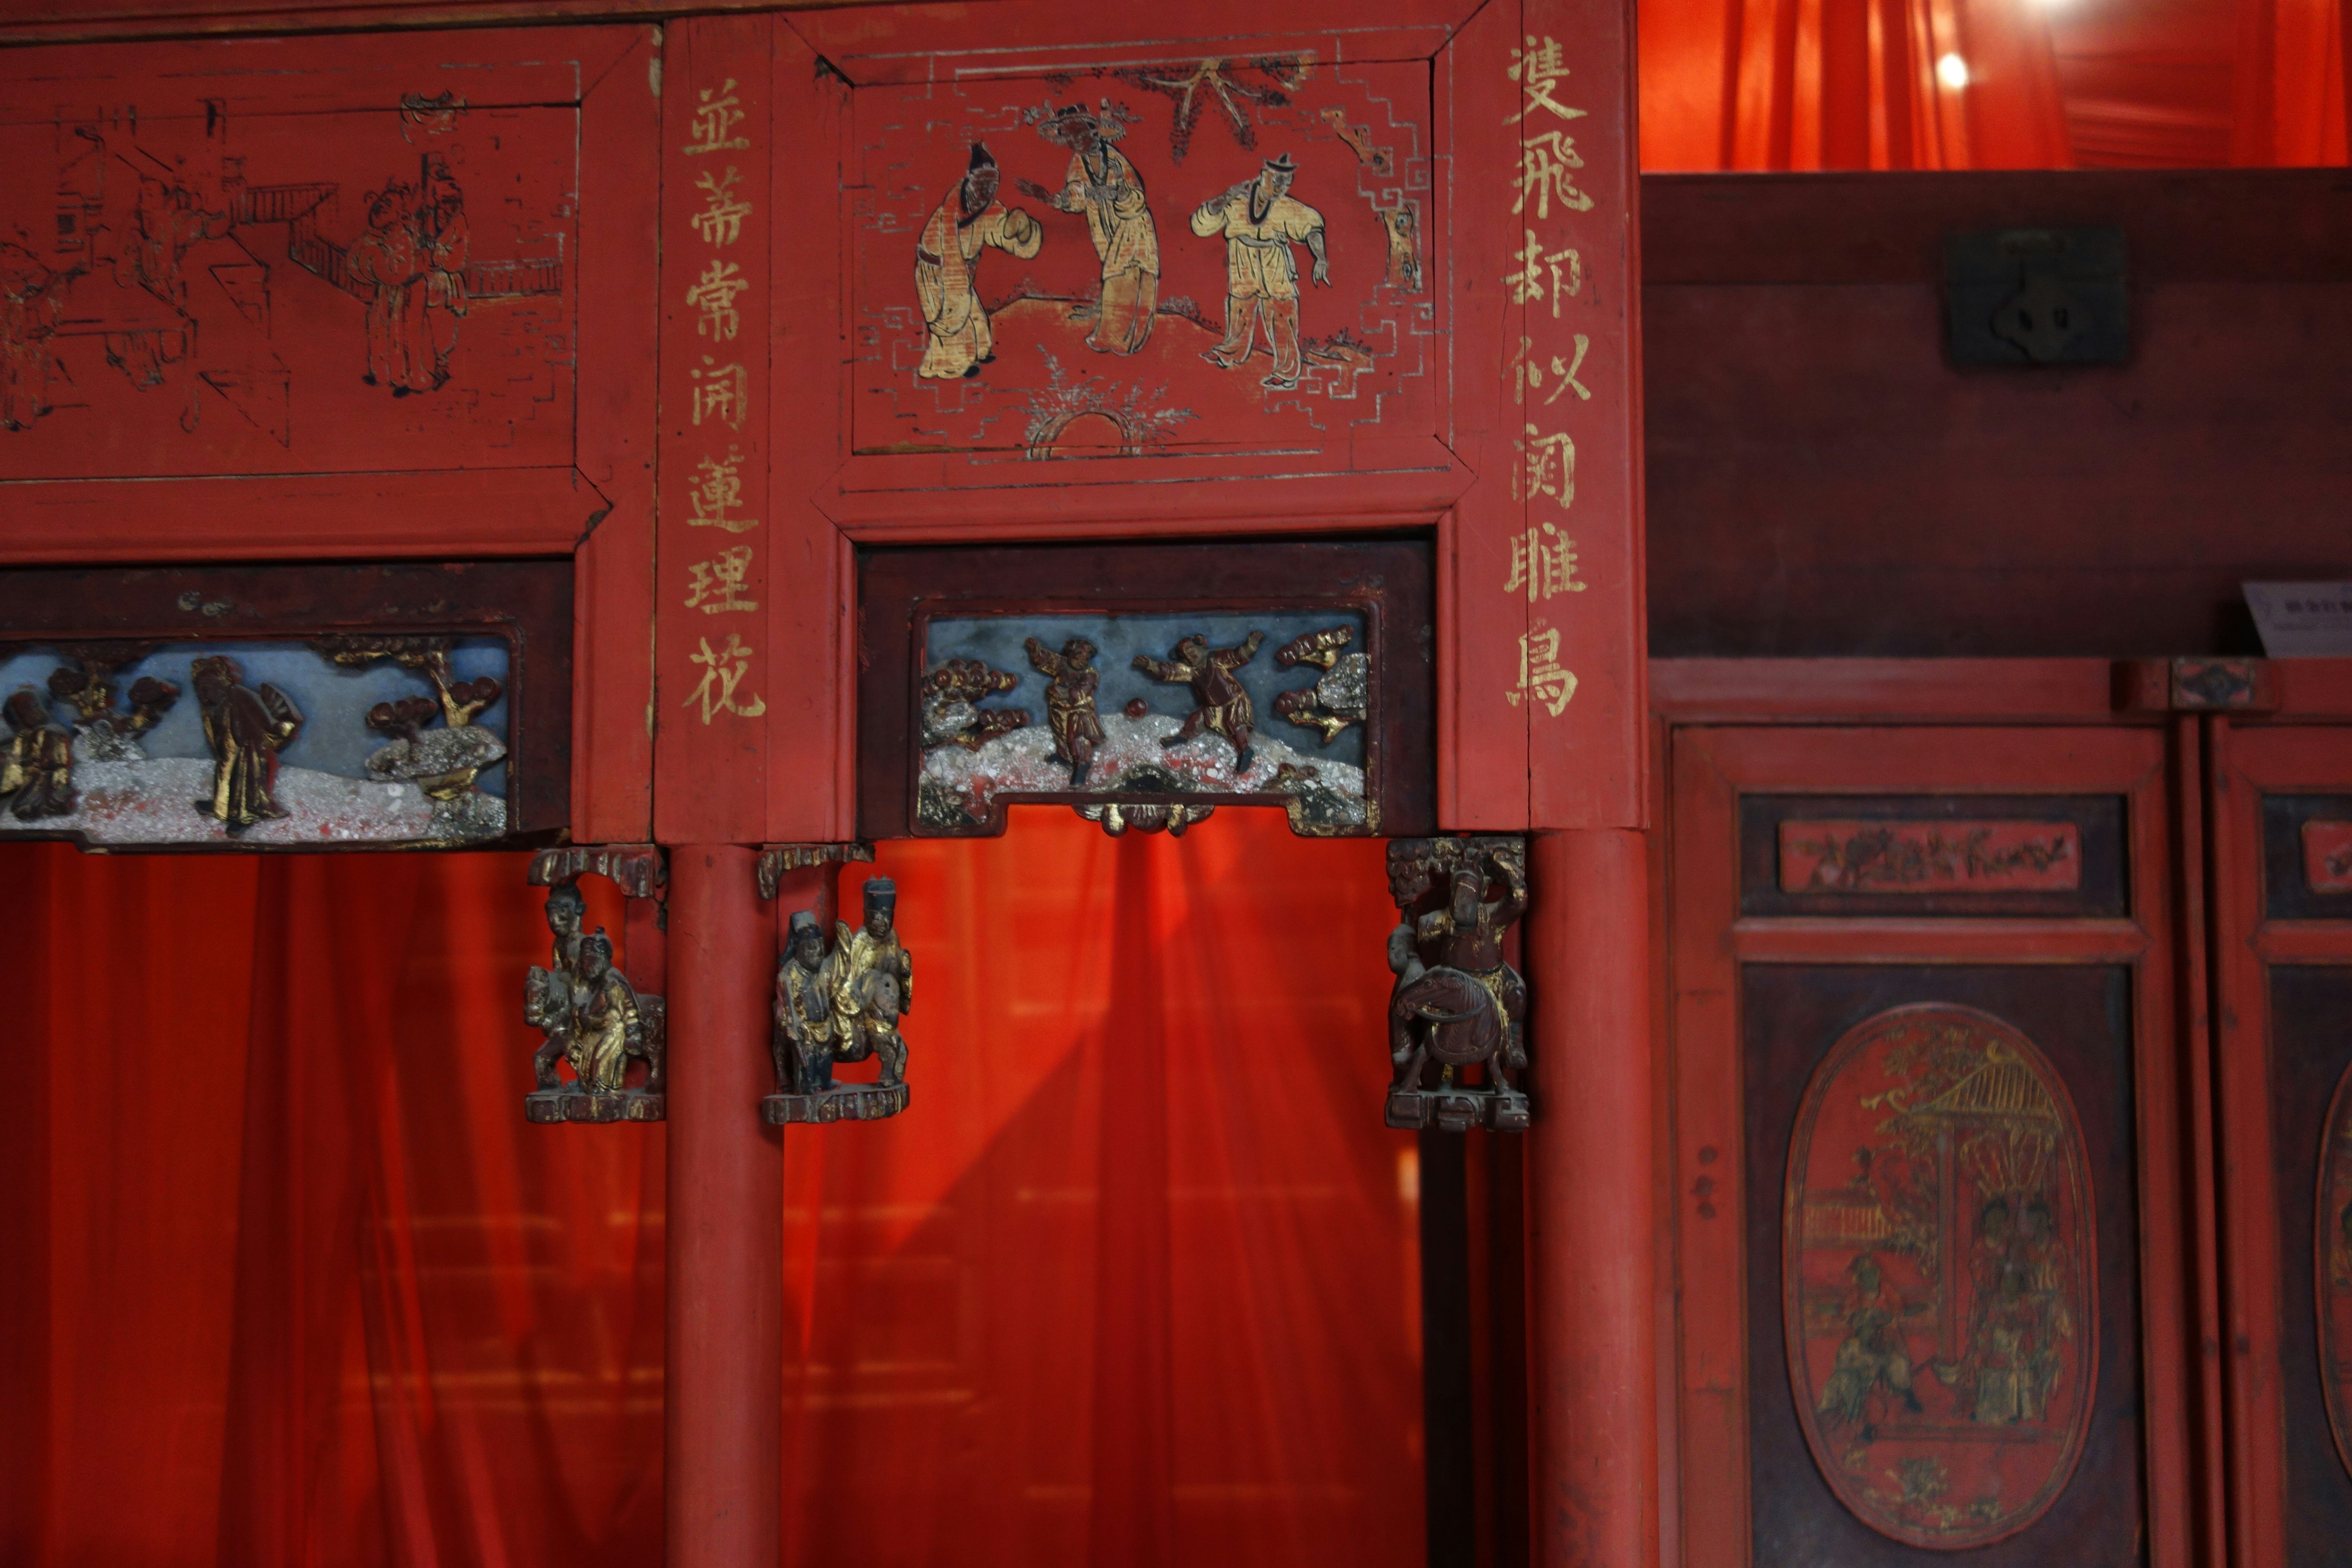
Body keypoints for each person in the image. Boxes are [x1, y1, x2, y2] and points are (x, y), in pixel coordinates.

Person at [1188, 152, 1328, 389]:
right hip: (1243, 261)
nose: (1281, 187)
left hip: (1275, 265)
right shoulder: (1238, 200)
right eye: (1277, 181)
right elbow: (1201, 225)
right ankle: (1229, 353)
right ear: (1265, 176)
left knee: (1282, 316)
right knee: (1240, 310)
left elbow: (1312, 228)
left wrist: (1321, 258)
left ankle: (1286, 372)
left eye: (1287, 182)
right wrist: (1226, 196)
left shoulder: (1287, 207)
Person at [1032, 103, 1158, 355]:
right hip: (1102, 224)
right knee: (1115, 273)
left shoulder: (1114, 158)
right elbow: (1077, 195)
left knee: (1127, 274)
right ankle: (1112, 330)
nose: (1076, 141)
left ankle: (1121, 341)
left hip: (1132, 223)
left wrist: (1119, 193)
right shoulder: (1078, 163)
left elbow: (1136, 196)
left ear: (1093, 132)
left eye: (1079, 134)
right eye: (1069, 137)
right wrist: (1055, 199)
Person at [914, 144, 1041, 380]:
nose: (987, 191)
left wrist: (1021, 230)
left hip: (962, 272)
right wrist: (957, 283)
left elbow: (1002, 232)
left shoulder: (989, 208)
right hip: (938, 273)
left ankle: (980, 352)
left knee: (975, 315)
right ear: (970, 182)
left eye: (992, 186)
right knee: (949, 321)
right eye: (983, 185)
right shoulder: (949, 214)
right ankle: (951, 366)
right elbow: (951, 263)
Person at [189, 655, 303, 835]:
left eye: (210, 684)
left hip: (247, 747)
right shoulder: (213, 706)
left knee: (245, 780)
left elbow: (261, 723)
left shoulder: (239, 695)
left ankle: (244, 816)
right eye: (199, 686)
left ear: (223, 681)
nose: (203, 691)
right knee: (224, 773)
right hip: (228, 748)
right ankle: (222, 806)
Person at [1133, 630, 1266, 774]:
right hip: (1213, 706)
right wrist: (1151, 665)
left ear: (1200, 647)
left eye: (1191, 649)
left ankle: (1245, 750)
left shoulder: (1214, 659)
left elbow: (1237, 656)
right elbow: (1171, 671)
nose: (1190, 655)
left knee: (1233, 723)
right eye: (1185, 654)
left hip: (1233, 700)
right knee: (1198, 718)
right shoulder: (1191, 671)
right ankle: (1182, 737)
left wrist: (1251, 646)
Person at [831, 878, 912, 1088]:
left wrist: (903, 972)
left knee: (899, 1045)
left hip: (883, 1004)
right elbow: (849, 981)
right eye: (877, 916)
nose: (882, 922)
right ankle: (887, 1072)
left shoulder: (891, 937)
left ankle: (893, 1073)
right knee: (879, 1040)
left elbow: (892, 971)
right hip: (864, 1006)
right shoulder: (860, 941)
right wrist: (869, 990)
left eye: (887, 916)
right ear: (867, 915)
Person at [344, 185, 425, 394]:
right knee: (379, 329)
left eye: (389, 205)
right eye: (382, 201)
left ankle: (401, 379)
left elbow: (401, 271)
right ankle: (380, 373)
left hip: (401, 294)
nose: (381, 207)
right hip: (384, 293)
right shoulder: (381, 236)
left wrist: (385, 266)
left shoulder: (403, 239)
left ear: (400, 215)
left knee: (398, 334)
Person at [566, 931, 645, 1093]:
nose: (583, 965)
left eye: (587, 959)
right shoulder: (589, 983)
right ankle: (586, 1083)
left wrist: (633, 1033)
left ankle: (600, 1085)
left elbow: (630, 1010)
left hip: (612, 1030)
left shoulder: (613, 983)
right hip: (595, 1028)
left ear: (601, 959)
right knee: (586, 1054)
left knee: (600, 1056)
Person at [527, 883, 587, 1089]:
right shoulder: (559, 944)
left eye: (562, 911)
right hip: (568, 1001)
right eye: (550, 913)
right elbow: (559, 974)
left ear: (579, 909)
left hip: (583, 1003)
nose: (555, 920)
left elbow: (583, 982)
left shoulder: (582, 945)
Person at [1025, 634, 1104, 785]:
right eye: (1079, 655)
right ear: (1070, 653)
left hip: (1078, 712)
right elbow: (1046, 661)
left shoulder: (1090, 674)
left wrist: (1061, 692)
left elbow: (1081, 691)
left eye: (1085, 658)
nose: (1081, 660)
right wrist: (1037, 651)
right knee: (1060, 733)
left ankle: (1081, 766)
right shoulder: (1063, 663)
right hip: (1058, 708)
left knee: (1078, 738)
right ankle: (1064, 756)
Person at [772, 910, 836, 1095]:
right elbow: (787, 1008)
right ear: (798, 949)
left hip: (823, 1024)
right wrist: (794, 1026)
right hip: (803, 1026)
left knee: (826, 1053)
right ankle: (805, 1084)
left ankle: (825, 1080)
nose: (818, 952)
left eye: (820, 946)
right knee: (807, 1054)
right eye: (811, 947)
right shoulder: (789, 975)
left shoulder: (821, 971)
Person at [0, 686, 75, 820]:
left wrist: (22, 762)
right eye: (25, 711)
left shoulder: (51, 731)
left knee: (23, 807)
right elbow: (19, 761)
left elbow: (48, 762)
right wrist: (9, 759)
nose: (34, 712)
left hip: (47, 779)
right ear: (18, 717)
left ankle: (50, 805)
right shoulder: (24, 736)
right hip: (33, 777)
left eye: (35, 706)